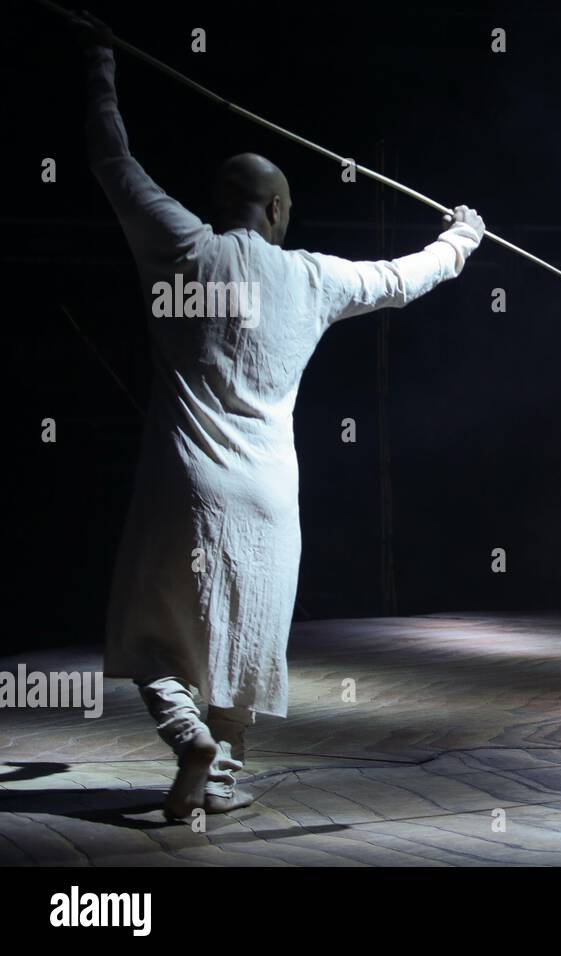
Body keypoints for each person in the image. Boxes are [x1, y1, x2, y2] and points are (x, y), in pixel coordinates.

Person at [71, 11, 487, 819]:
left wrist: (100, 62)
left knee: (155, 636)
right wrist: (463, 238)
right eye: (286, 204)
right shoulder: (312, 278)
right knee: (248, 642)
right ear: (274, 210)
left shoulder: (181, 245)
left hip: (182, 485)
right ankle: (220, 774)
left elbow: (110, 159)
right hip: (268, 495)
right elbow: (402, 277)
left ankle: (186, 730)